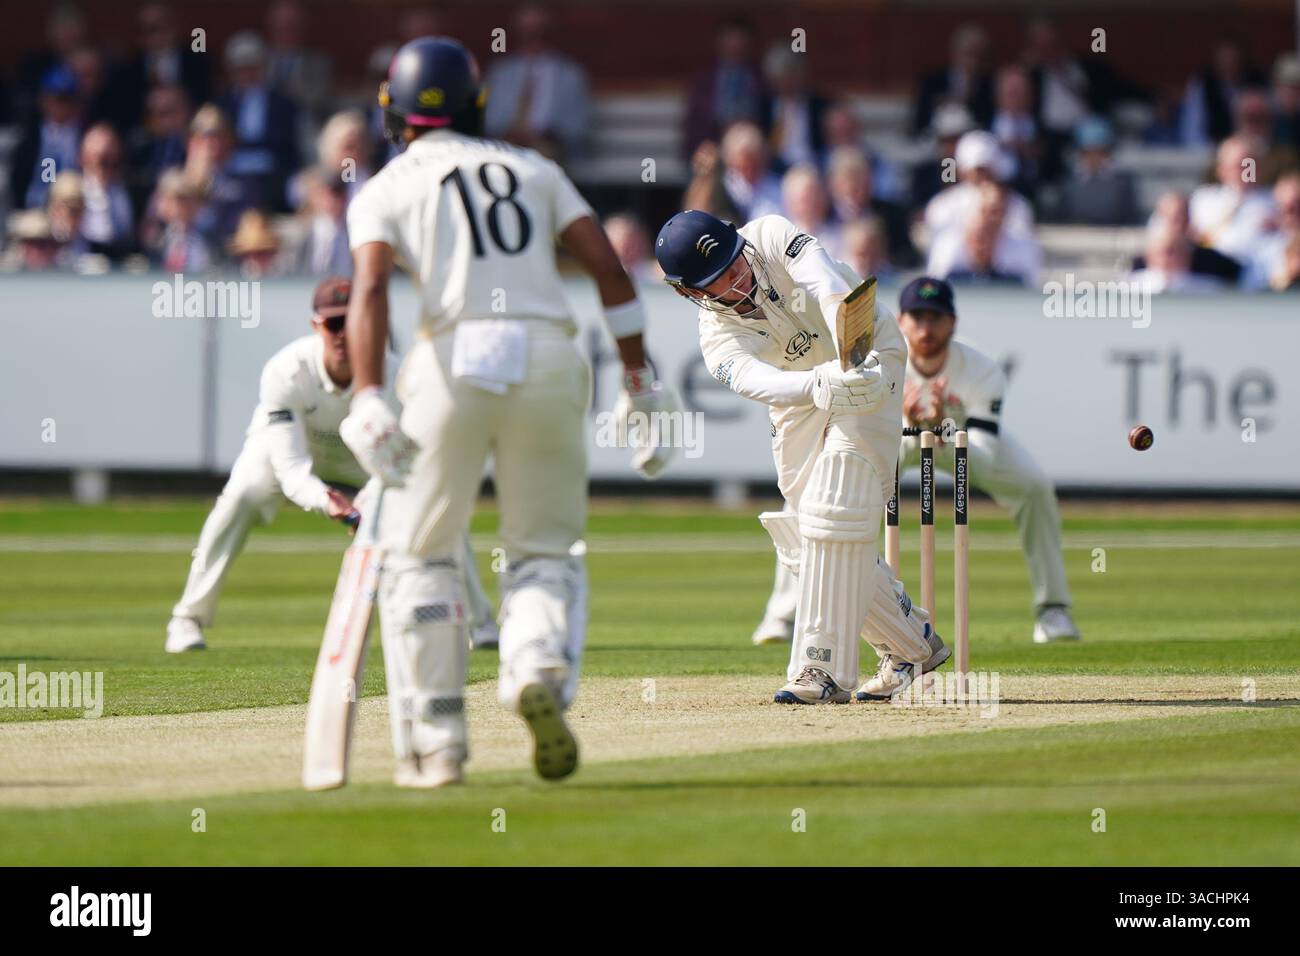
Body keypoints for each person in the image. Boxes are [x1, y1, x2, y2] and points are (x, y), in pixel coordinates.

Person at [339, 38, 675, 787]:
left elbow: (367, 292)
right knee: (543, 550)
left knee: (424, 555)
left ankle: (438, 740)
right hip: (550, 357)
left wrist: (366, 393)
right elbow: (608, 268)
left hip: (452, 359)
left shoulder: (387, 186)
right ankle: (533, 664)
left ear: (394, 109)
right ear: (477, 103)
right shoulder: (533, 168)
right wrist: (637, 374)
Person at [656, 208, 946, 704]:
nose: (736, 278)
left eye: (733, 262)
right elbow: (755, 380)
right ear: (690, 292)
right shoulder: (716, 336)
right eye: (718, 279)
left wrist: (852, 354)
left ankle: (821, 668)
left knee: (839, 499)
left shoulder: (769, 234)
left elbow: (826, 280)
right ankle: (912, 645)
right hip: (802, 394)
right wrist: (817, 384)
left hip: (869, 354)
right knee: (800, 536)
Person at [165, 277, 498, 655]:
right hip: (290, 449)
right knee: (243, 494)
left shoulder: (393, 377)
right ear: (315, 326)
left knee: (433, 503)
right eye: (332, 324)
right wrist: (329, 502)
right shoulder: (286, 372)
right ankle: (187, 618)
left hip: (363, 462)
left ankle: (482, 622)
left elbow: (401, 465)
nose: (341, 335)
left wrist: (368, 504)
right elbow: (291, 471)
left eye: (350, 322)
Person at [753, 277, 1081, 648]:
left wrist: (942, 427)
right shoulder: (881, 359)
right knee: (814, 491)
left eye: (936, 318)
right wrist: (909, 423)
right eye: (918, 317)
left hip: (958, 443)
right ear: (902, 320)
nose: (926, 328)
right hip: (890, 439)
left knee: (1034, 487)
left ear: (952, 323)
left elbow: (985, 449)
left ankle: (1053, 610)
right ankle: (782, 614)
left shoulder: (981, 369)